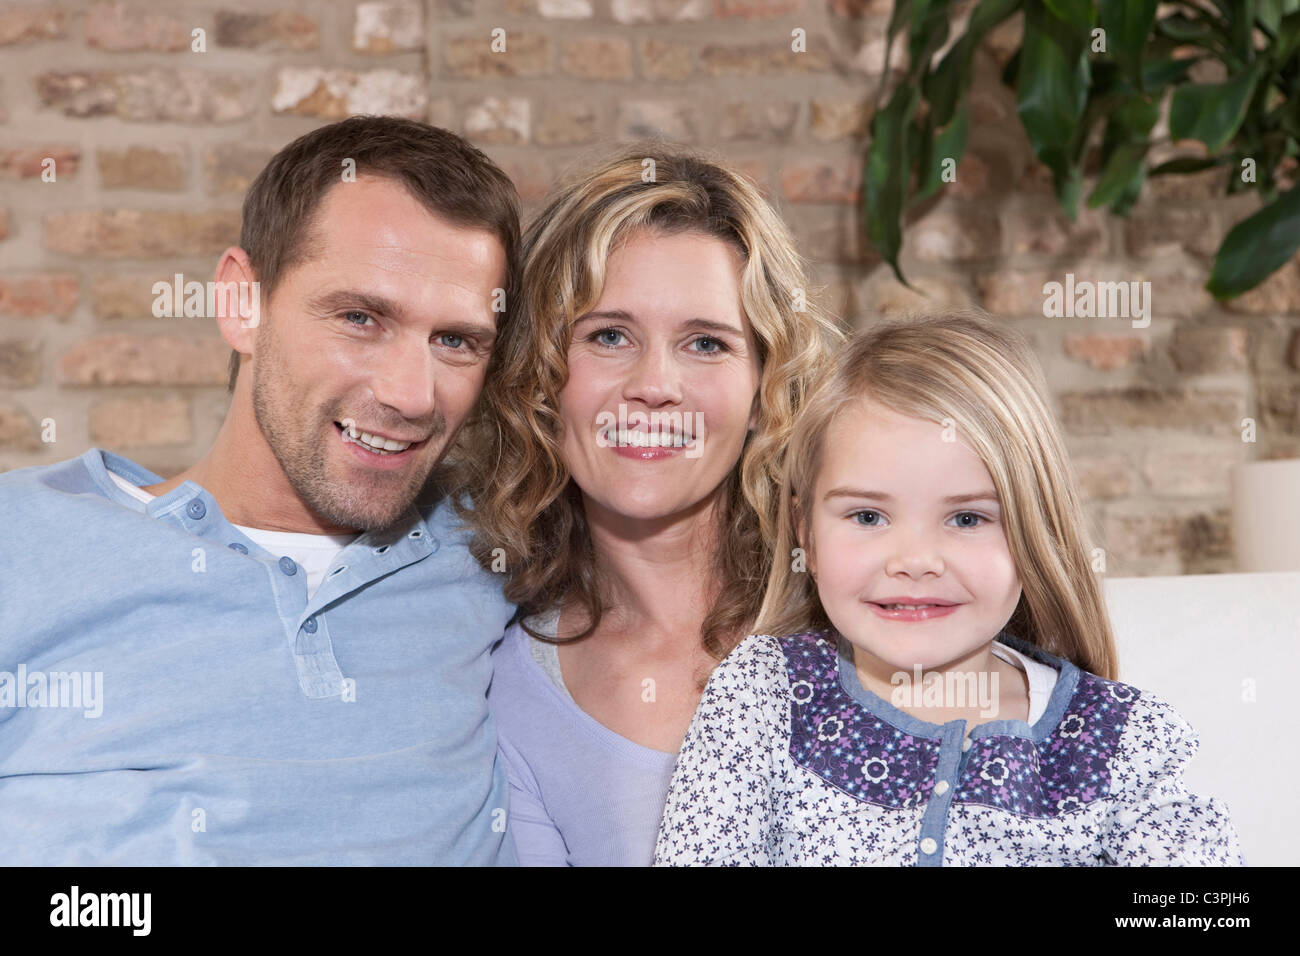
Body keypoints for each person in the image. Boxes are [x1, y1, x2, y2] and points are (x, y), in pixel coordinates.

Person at [0, 116, 523, 864]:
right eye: (360, 318)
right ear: (242, 302)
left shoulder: (501, 554)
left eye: (456, 341)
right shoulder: (20, 543)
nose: (413, 394)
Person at [654, 312, 1246, 866]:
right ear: (805, 526)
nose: (915, 561)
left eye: (967, 519)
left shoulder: (1121, 740)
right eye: (867, 517)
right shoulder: (765, 696)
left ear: (1033, 528)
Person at [444, 142, 846, 865]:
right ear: (542, 379)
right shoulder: (498, 691)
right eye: (609, 335)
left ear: (765, 388)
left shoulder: (865, 616)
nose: (654, 383)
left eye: (705, 343)